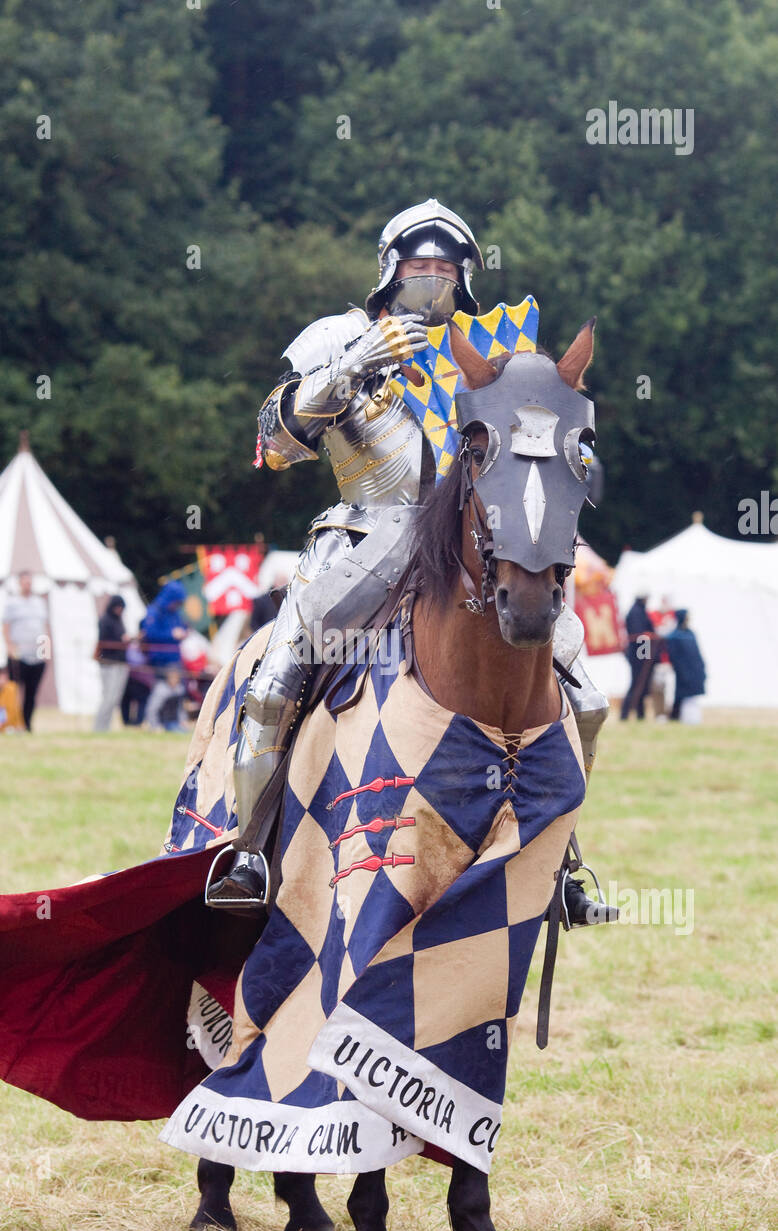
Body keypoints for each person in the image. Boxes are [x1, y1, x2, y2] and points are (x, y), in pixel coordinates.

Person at [207, 199, 611, 923]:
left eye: (447, 268)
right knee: (276, 684)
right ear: (391, 271)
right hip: (365, 536)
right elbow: (274, 442)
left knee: (584, 694)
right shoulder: (342, 337)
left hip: (474, 541)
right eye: (420, 266)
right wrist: (350, 369)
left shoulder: (490, 353)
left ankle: (560, 862)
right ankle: (249, 854)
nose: (433, 278)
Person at [2, 572, 49, 731]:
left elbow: (44, 627)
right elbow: (5, 627)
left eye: (30, 582)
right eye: (25, 582)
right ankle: (13, 723)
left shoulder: (39, 603)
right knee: (15, 691)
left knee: (31, 693)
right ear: (19, 583)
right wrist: (10, 647)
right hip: (18, 655)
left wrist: (46, 651)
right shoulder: (12, 603)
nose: (28, 585)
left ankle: (27, 724)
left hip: (37, 655)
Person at [140, 581, 187, 730]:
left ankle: (173, 722)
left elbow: (182, 626)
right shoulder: (154, 612)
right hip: (160, 660)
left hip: (174, 658)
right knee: (161, 692)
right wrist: (171, 635)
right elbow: (150, 634)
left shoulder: (175, 613)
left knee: (178, 691)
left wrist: (183, 631)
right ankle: (154, 722)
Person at [93, 596, 130, 733]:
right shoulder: (105, 621)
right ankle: (99, 728)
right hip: (109, 664)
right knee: (108, 698)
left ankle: (105, 727)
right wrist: (121, 640)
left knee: (114, 698)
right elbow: (103, 641)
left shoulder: (119, 621)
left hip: (120, 663)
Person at [664, 610, 707, 721]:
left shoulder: (690, 634)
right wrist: (681, 670)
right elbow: (674, 656)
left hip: (695, 670)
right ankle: (675, 718)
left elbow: (697, 653)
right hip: (682, 671)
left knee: (691, 696)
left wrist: (702, 668)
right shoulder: (674, 636)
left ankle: (685, 718)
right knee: (681, 695)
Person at [620, 594, 657, 721]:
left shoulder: (640, 611)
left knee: (642, 684)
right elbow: (639, 635)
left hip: (642, 653)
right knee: (637, 683)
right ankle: (625, 715)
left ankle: (641, 715)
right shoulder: (636, 612)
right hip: (639, 654)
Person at [0, 666, 24, 731]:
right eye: (0, 678)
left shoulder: (9, 689)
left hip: (7, 725)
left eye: (5, 679)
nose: (2, 681)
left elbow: (13, 710)